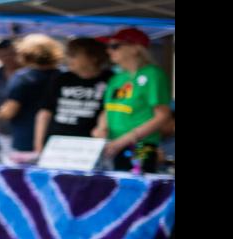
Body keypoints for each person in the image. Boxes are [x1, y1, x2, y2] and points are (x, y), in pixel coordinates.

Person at [94, 28, 171, 171]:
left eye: (115, 46)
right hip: (113, 144)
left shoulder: (153, 74)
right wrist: (101, 128)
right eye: (108, 46)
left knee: (136, 187)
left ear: (135, 48)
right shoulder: (117, 77)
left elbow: (162, 115)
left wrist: (126, 139)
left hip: (141, 144)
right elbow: (108, 109)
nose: (109, 51)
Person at [34, 37, 111, 156]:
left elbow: (109, 110)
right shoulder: (61, 78)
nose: (68, 59)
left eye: (73, 55)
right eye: (68, 54)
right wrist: (38, 146)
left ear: (93, 57)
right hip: (57, 144)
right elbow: (44, 112)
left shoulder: (110, 79)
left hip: (90, 147)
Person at [0, 33, 60, 162]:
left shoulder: (22, 78)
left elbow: (10, 110)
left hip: (25, 141)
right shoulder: (62, 76)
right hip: (56, 140)